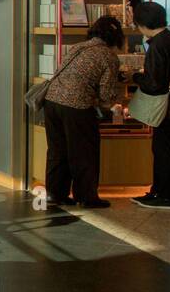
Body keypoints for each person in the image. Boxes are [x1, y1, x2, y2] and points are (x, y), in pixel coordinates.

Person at [41, 16, 126, 209]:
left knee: (57, 151)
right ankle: (86, 196)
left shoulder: (78, 47)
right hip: (76, 106)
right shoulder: (109, 57)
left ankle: (56, 194)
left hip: (52, 101)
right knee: (84, 153)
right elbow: (106, 95)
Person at [132, 2, 170, 210]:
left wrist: (135, 76)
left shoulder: (157, 44)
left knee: (163, 151)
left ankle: (164, 196)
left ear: (141, 23)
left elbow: (154, 83)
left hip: (166, 107)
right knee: (166, 151)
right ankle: (159, 191)